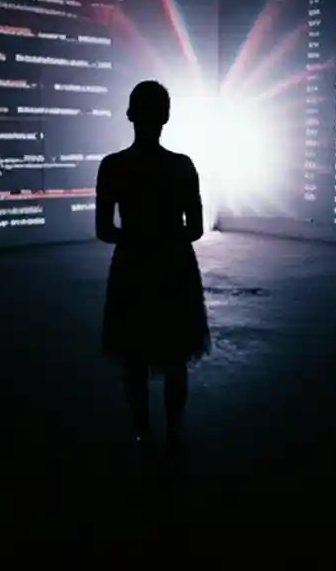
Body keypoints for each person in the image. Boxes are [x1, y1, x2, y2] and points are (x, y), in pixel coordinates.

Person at [96, 80, 210, 456]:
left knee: (134, 356)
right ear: (166, 117)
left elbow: (104, 230)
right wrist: (165, 236)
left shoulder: (112, 167)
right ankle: (174, 433)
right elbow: (194, 228)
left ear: (130, 114)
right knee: (175, 355)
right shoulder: (182, 166)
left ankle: (143, 434)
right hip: (173, 267)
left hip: (132, 267)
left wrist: (138, 237)